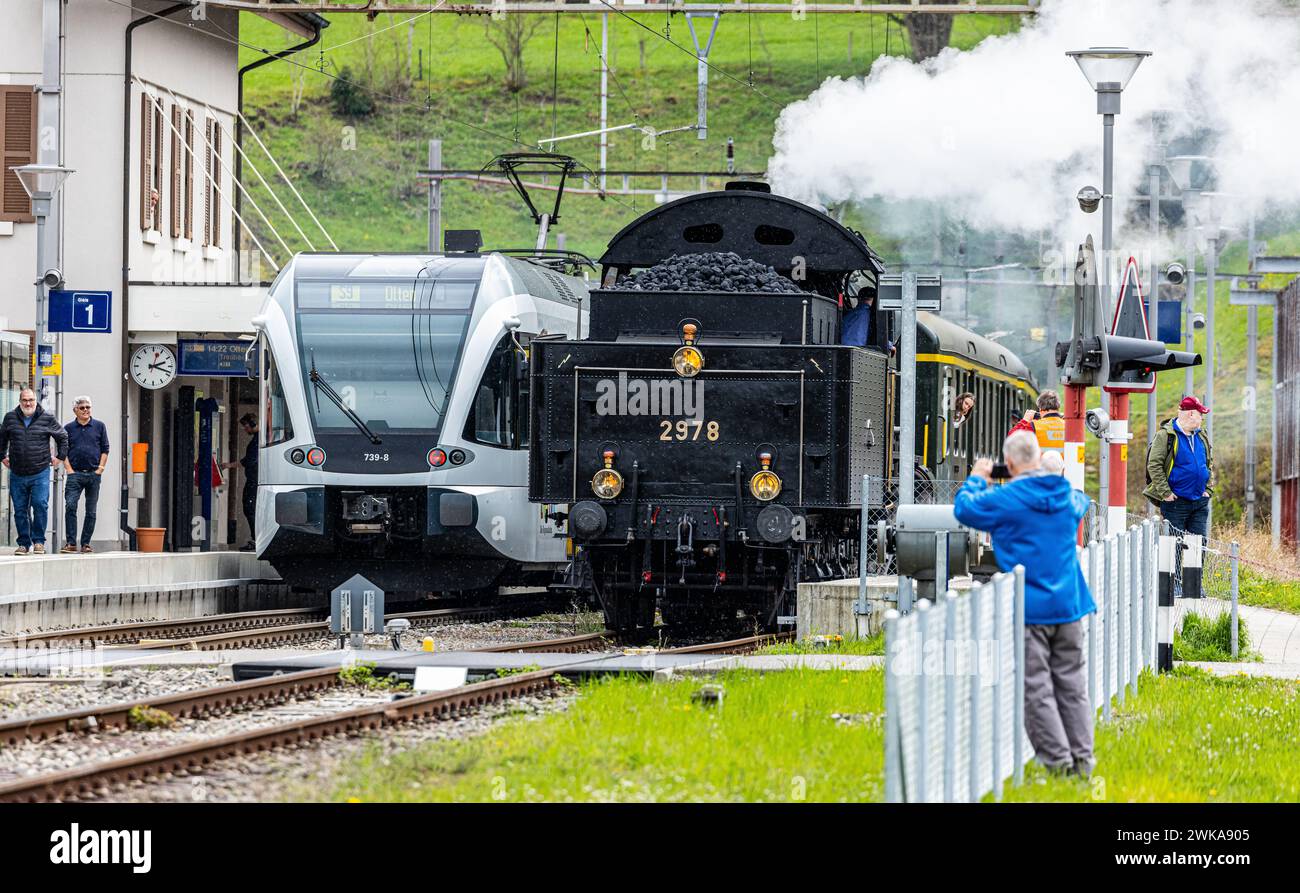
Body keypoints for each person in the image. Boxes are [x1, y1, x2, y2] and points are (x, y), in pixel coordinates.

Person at [954, 430, 1095, 778]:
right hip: (1069, 604)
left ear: (1011, 464)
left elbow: (965, 509)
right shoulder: (1065, 494)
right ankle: (1083, 762)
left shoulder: (1009, 498)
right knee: (1073, 685)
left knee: (1036, 688)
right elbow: (1082, 501)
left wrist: (976, 479)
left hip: (1031, 609)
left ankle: (1059, 764)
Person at [0, 388, 69, 555]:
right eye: (25, 400)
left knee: (40, 505)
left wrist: (60, 457)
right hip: (17, 472)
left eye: (31, 400)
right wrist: (2, 456)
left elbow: (62, 436)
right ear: (20, 401)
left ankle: (39, 541)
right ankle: (24, 543)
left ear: (35, 400)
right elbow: (2, 438)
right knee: (20, 509)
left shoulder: (46, 418)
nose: (28, 403)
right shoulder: (10, 418)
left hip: (40, 471)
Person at [1142, 395, 1213, 537]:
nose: (1202, 418)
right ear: (1191, 414)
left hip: (1200, 501)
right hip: (1175, 502)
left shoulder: (1201, 435)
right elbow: (1154, 465)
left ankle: (1195, 561)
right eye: (1201, 414)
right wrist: (1166, 493)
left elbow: (1209, 463)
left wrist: (1208, 490)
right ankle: (1175, 560)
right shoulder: (1165, 435)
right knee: (1174, 547)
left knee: (1198, 547)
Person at [61, 396, 110, 554]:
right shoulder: (68, 428)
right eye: (82, 408)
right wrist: (69, 469)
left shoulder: (99, 426)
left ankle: (86, 543)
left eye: (88, 407)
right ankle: (70, 543)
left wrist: (100, 469)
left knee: (91, 511)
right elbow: (63, 451)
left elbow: (105, 449)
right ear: (75, 410)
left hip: (93, 475)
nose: (86, 410)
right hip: (74, 475)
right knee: (70, 506)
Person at [221, 413, 259, 552]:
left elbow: (249, 460)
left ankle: (257, 539)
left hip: (254, 480)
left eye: (246, 426)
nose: (245, 429)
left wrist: (229, 465)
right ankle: (257, 539)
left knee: (249, 508)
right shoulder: (260, 438)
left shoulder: (257, 440)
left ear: (253, 424)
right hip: (255, 479)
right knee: (251, 508)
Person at [1008, 390, 1066, 457]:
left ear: (1040, 408)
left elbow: (1012, 439)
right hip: (1065, 467)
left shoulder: (1034, 426)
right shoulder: (1068, 426)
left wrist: (1025, 420)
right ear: (1058, 407)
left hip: (1040, 466)